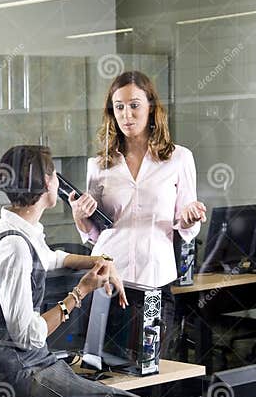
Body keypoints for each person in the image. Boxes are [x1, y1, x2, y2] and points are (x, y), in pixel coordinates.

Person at [0, 145, 128, 397]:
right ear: (48, 183)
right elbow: (28, 336)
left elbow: (51, 258)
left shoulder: (22, 233)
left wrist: (101, 260)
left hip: (33, 366)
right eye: (55, 175)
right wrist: (79, 293)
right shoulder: (14, 246)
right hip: (18, 375)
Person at [70, 70, 206, 354]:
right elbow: (94, 233)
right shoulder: (99, 164)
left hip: (154, 281)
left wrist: (189, 217)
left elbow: (186, 226)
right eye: (119, 107)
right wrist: (78, 215)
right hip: (107, 280)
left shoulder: (179, 158)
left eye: (134, 105)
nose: (126, 114)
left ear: (151, 108)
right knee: (106, 369)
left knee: (152, 369)